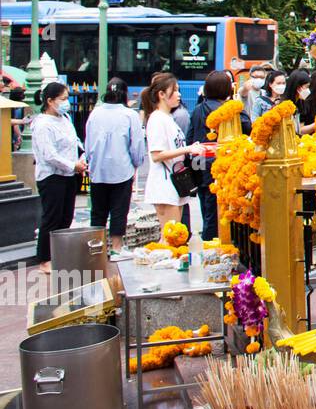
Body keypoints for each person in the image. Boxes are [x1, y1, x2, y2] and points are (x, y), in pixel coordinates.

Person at [84, 77, 147, 251]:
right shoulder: (129, 115)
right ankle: (116, 247)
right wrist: (136, 163)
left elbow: (88, 143)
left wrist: (91, 161)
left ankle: (96, 247)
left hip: (98, 171)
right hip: (122, 170)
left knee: (98, 212)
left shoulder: (95, 113)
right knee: (119, 210)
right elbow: (136, 146)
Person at [189, 71, 252, 240]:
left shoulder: (196, 110)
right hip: (222, 165)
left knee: (206, 206)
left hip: (199, 163)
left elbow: (191, 137)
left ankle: (209, 240)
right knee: (220, 209)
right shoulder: (231, 110)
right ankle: (218, 244)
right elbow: (248, 128)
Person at [31, 82, 85, 274]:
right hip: (51, 177)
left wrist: (81, 158)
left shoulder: (65, 118)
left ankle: (60, 255)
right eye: (62, 99)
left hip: (69, 174)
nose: (66, 102)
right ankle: (44, 259)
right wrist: (73, 165)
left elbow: (75, 141)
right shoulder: (42, 124)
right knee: (52, 218)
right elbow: (49, 155)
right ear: (50, 101)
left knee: (66, 217)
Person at [142, 74, 205, 235]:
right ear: (161, 94)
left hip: (175, 183)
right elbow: (157, 155)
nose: (179, 94)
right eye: (174, 90)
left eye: (178, 90)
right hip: (164, 184)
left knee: (174, 237)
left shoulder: (167, 118)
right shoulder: (157, 119)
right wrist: (188, 149)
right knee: (171, 238)